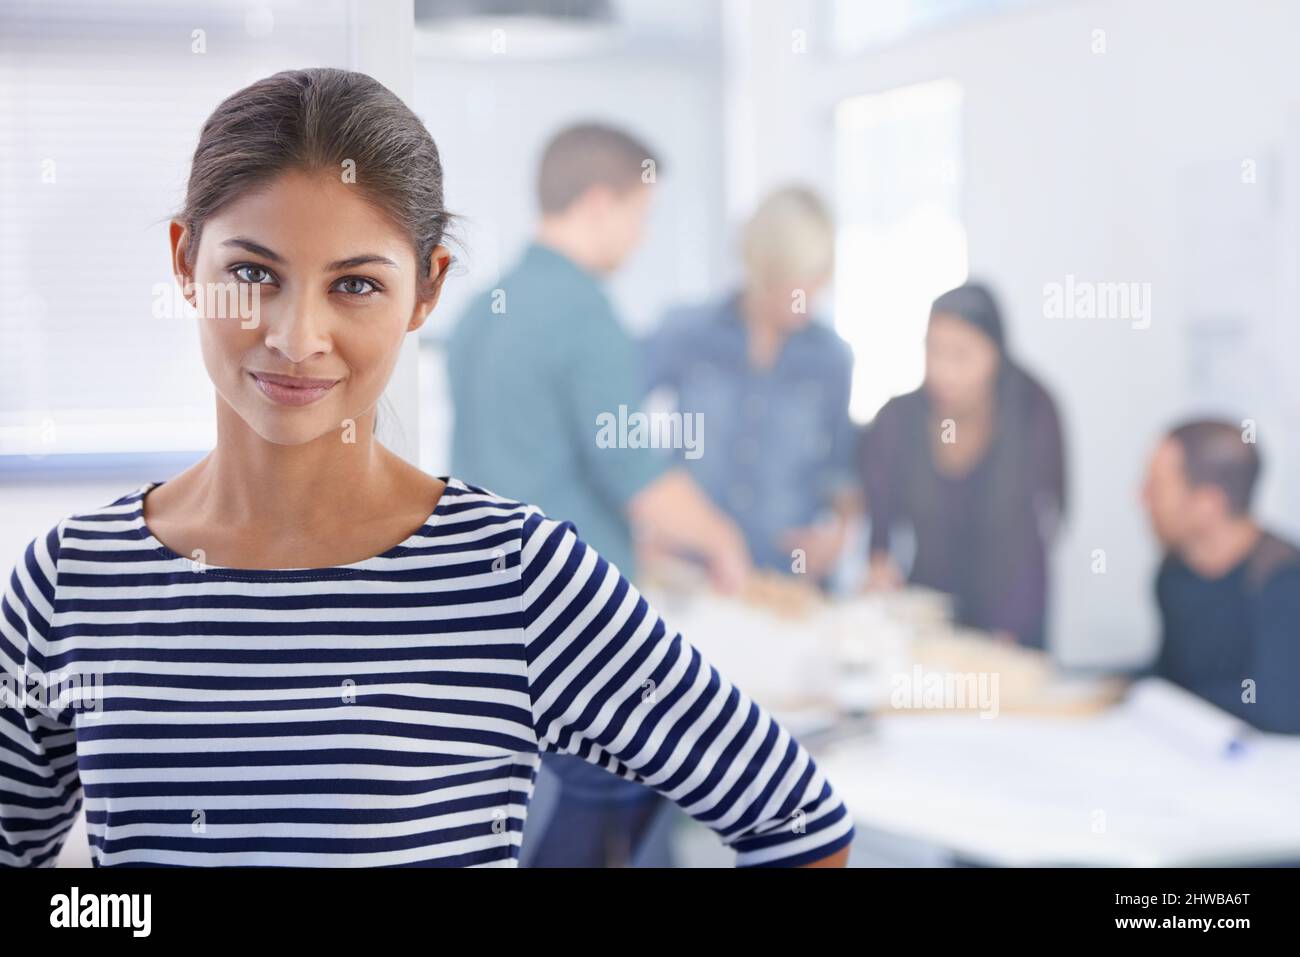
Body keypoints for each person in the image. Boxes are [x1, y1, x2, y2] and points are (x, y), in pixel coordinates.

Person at [0, 69, 853, 868]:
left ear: (427, 290)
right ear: (186, 262)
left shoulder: (518, 577)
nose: (299, 338)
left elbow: (796, 819)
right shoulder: (68, 580)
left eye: (356, 285)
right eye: (254, 273)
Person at [444, 124, 759, 866]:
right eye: (641, 214)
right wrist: (723, 540)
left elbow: (526, 467)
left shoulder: (477, 314)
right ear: (597, 204)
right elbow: (638, 477)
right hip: (580, 644)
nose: (642, 236)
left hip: (485, 639)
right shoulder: (587, 316)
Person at [642, 187, 860, 583]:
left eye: (815, 284)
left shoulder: (832, 360)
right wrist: (645, 515)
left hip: (785, 580)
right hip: (690, 573)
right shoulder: (687, 333)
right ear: (760, 271)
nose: (803, 301)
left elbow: (841, 470)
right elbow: (608, 416)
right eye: (790, 285)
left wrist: (839, 535)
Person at [859, 282, 1066, 649]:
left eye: (961, 355)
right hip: (925, 616)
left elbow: (1048, 520)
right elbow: (881, 532)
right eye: (934, 351)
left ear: (996, 354)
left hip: (1013, 619)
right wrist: (879, 572)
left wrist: (1011, 633)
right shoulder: (897, 419)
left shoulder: (1033, 409)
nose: (943, 371)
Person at [1140, 419, 1300, 734]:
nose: (1142, 498)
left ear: (1208, 503)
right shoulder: (1174, 574)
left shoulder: (1284, 582)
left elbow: (1279, 709)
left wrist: (1167, 698)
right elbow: (1170, 675)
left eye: (1156, 487)